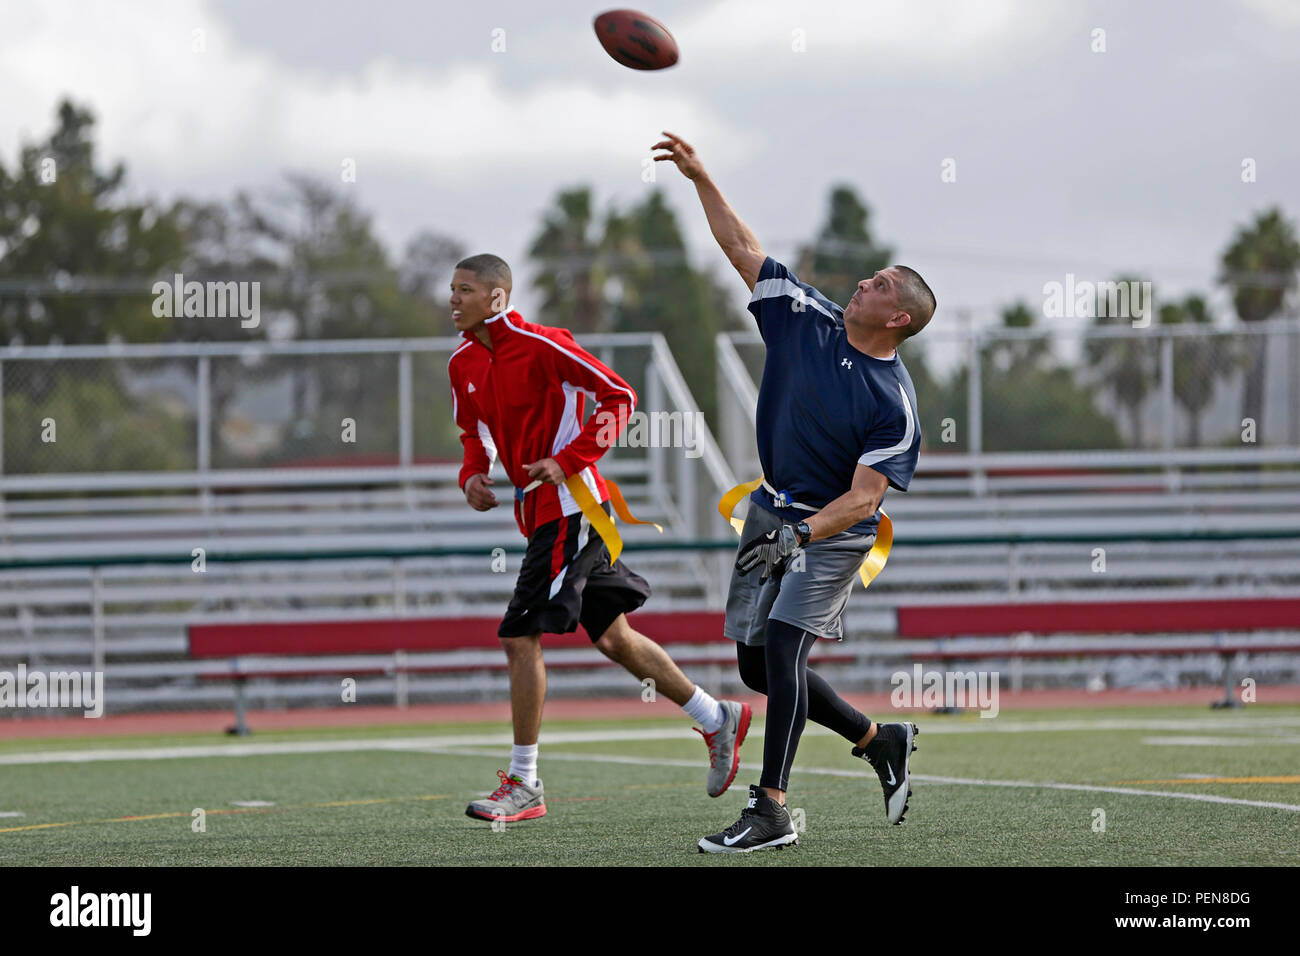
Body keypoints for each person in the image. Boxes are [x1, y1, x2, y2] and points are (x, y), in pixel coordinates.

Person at [653, 132, 937, 853]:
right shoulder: (801, 313)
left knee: (783, 649)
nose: (863, 284)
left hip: (830, 533)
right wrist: (700, 177)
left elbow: (866, 500)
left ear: (897, 318)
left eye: (879, 285)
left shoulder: (893, 401)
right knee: (755, 665)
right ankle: (880, 740)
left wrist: (804, 534)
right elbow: (741, 246)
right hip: (770, 507)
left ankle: (772, 809)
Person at [447, 253, 750, 823]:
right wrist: (472, 475)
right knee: (613, 639)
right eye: (452, 289)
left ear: (496, 298)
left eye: (465, 289)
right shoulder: (462, 362)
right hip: (539, 514)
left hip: (574, 507)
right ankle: (717, 718)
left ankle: (525, 783)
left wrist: (568, 460)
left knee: (518, 637)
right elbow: (473, 430)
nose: (453, 299)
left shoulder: (543, 344)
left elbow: (621, 396)